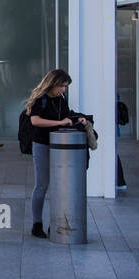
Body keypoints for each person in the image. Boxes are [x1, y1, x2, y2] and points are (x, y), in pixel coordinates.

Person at [25, 69, 87, 236]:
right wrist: (59, 122)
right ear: (53, 84)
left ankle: (57, 222)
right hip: (42, 144)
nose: (64, 90)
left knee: (60, 186)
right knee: (42, 185)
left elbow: (65, 116)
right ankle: (37, 224)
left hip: (60, 145)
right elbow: (35, 120)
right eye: (62, 86)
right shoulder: (40, 98)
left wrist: (77, 118)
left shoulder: (61, 98)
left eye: (66, 87)